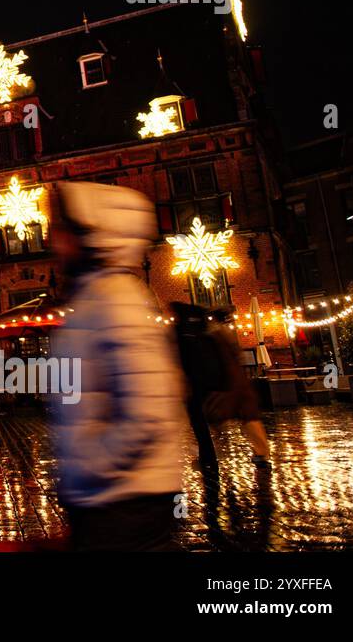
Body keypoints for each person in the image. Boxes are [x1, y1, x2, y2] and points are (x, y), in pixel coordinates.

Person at [49, 181, 186, 551]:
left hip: (126, 503)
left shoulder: (116, 300)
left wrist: (90, 466)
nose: (53, 242)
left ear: (93, 237)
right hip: (109, 501)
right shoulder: (93, 299)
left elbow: (148, 412)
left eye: (62, 230)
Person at [172, 302, 270, 467]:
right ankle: (260, 453)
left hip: (230, 383)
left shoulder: (213, 336)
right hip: (234, 382)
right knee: (246, 417)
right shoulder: (220, 334)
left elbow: (222, 361)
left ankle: (259, 453)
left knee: (238, 416)